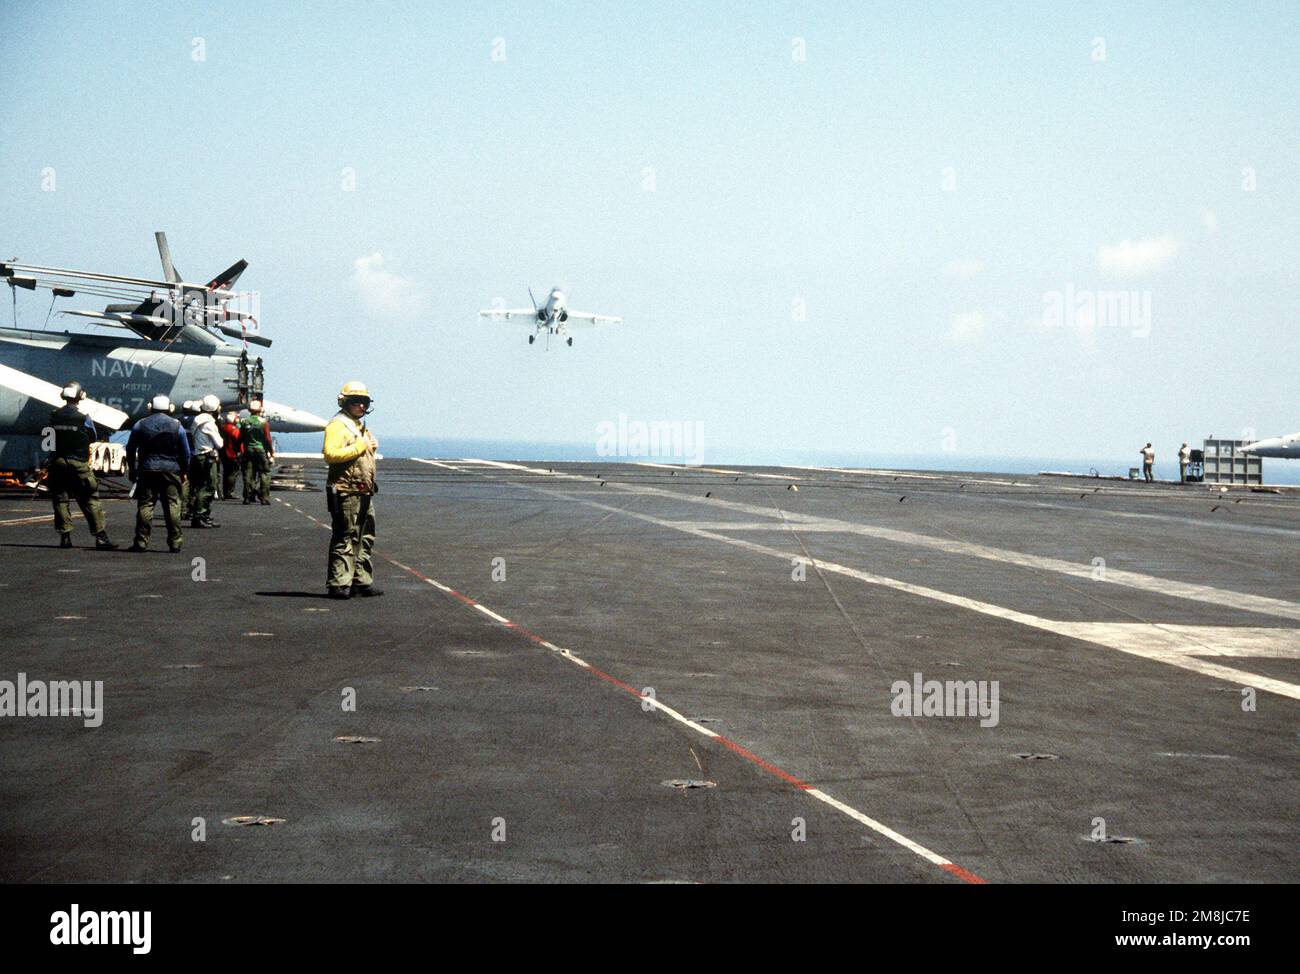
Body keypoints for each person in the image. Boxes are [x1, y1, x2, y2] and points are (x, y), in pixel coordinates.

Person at [323, 381, 381, 599]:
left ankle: (360, 581)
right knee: (345, 535)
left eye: (364, 402)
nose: (361, 406)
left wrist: (370, 447)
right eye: (356, 402)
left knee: (365, 536)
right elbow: (330, 454)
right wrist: (360, 447)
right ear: (345, 402)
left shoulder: (357, 425)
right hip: (347, 490)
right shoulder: (337, 425)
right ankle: (339, 583)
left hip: (364, 491)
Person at [46, 381, 118, 550]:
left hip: (58, 462)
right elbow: (92, 436)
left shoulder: (54, 415)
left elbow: (48, 439)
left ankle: (65, 537)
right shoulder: (83, 417)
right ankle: (100, 537)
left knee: (61, 499)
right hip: (78, 462)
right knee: (90, 499)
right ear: (80, 397)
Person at [126, 395, 191, 553]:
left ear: (150, 407)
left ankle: (141, 542)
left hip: (147, 470)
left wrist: (133, 470)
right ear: (170, 408)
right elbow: (186, 453)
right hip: (171, 470)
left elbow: (130, 449)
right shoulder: (177, 426)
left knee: (146, 505)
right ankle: (175, 542)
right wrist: (183, 472)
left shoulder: (140, 425)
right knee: (172, 506)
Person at [188, 395, 224, 528]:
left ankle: (204, 515)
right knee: (209, 486)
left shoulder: (197, 420)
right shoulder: (209, 424)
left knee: (201, 486)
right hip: (207, 457)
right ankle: (200, 515)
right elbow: (219, 444)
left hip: (198, 456)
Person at [239, 400, 274, 505]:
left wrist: (239, 450)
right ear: (260, 410)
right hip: (260, 450)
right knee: (264, 472)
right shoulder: (263, 422)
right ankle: (264, 498)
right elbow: (268, 439)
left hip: (248, 450)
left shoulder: (244, 422)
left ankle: (247, 497)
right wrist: (271, 451)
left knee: (248, 473)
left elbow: (240, 437)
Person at [220, 411, 242, 500]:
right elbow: (238, 440)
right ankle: (229, 492)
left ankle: (225, 492)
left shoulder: (223, 428)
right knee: (232, 473)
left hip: (224, 453)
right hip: (232, 454)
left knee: (226, 473)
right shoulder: (233, 430)